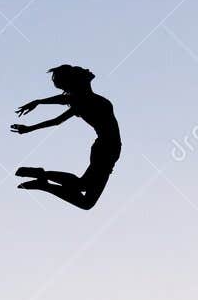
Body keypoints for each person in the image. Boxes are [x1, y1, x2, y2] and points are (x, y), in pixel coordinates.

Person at [11, 65, 121, 210]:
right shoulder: (83, 102)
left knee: (82, 187)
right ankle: (43, 180)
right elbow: (57, 118)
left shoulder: (81, 99)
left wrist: (38, 102)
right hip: (106, 149)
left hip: (104, 148)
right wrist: (30, 126)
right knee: (86, 200)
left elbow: (63, 99)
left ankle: (42, 179)